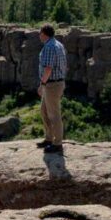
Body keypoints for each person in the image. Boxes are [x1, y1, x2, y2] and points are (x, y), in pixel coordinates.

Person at [36, 24, 67, 153]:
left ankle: (57, 143)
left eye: (40, 33)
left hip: (52, 85)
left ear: (44, 34)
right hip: (55, 83)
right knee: (44, 111)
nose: (39, 36)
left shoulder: (49, 47)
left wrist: (42, 84)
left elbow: (48, 68)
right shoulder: (58, 44)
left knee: (54, 115)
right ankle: (49, 138)